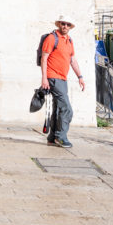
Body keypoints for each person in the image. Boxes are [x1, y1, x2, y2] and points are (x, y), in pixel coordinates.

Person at [40, 16, 85, 148]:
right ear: (59, 24)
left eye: (68, 24)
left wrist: (80, 77)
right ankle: (61, 136)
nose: (65, 26)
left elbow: (72, 60)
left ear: (70, 27)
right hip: (53, 78)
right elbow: (44, 58)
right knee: (67, 109)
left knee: (58, 109)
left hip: (62, 78)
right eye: (63, 24)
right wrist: (44, 78)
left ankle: (52, 137)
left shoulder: (69, 41)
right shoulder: (51, 38)